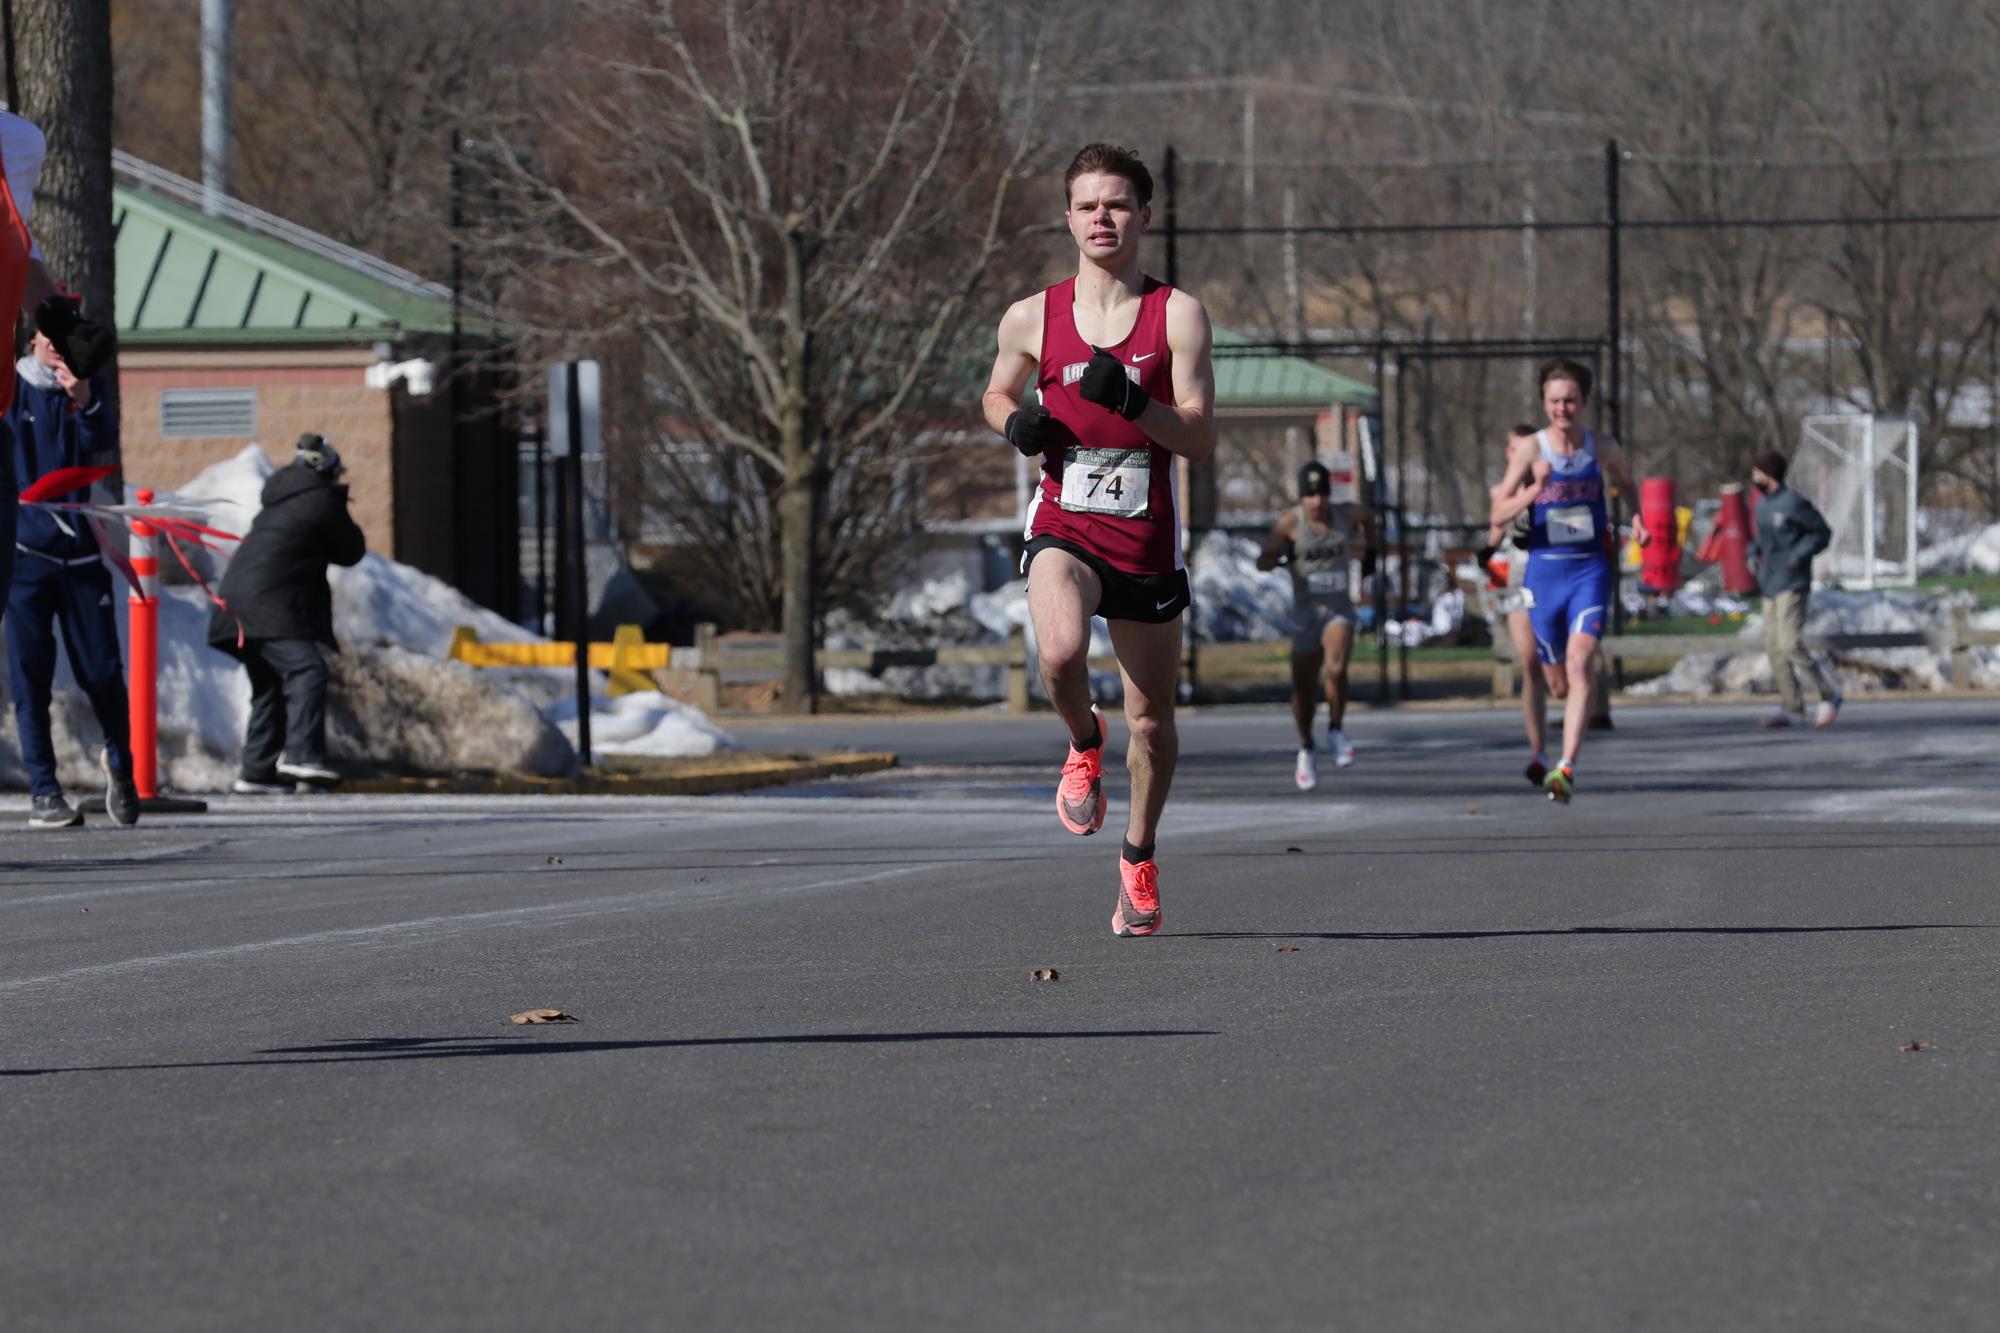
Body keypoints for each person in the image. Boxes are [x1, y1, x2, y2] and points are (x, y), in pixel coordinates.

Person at [981, 142, 1215, 937]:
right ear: (1069, 217)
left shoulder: (1176, 314)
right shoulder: (1030, 316)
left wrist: (1136, 407)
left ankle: (1139, 854)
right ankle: (1084, 740)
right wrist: (1015, 421)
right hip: (1065, 526)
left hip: (1145, 541)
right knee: (1057, 651)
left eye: (1117, 204)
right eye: (1088, 205)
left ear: (1145, 214)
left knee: (1152, 722)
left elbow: (1199, 438)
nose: (1102, 218)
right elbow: (993, 389)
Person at [1489, 360, 1645, 803]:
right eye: (1555, 400)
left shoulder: (1602, 446)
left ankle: (1565, 767)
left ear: (1584, 403)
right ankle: (1551, 747)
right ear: (1544, 402)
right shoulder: (1531, 451)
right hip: (1544, 574)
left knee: (1580, 666)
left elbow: (1629, 485)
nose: (1563, 408)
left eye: (1571, 400)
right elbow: (1498, 515)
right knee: (1556, 679)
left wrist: (1638, 519)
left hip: (1589, 570)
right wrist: (1534, 491)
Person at [6, 317, 139, 827]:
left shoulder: (84, 387)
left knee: (103, 671)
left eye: (66, 343)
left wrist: (85, 399)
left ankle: (121, 764)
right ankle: (44, 789)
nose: (58, 349)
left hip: (82, 553)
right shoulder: (12, 388)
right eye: (49, 339)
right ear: (31, 340)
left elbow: (100, 439)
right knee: (31, 674)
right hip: (25, 555)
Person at [208, 433, 366, 792]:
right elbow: (351, 549)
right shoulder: (319, 498)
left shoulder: (280, 499)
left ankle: (257, 771)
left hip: (235, 605)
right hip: (268, 605)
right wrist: (338, 502)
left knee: (269, 685)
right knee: (308, 670)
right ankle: (302, 755)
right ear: (325, 470)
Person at [1257, 457, 1376, 789]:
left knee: (1336, 670)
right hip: (1306, 615)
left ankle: (1336, 730)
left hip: (1338, 609)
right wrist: (1280, 556)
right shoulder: (1289, 524)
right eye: (1310, 495)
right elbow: (1262, 560)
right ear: (1301, 497)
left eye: (1322, 494)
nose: (1317, 502)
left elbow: (1368, 517)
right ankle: (1307, 747)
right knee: (1303, 691)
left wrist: (1371, 553)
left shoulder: (1345, 515)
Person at [1749, 449, 1840, 729]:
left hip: (1793, 582)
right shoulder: (1763, 506)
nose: (1753, 478)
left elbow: (1822, 533)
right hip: (1770, 583)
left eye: (1757, 473)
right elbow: (1763, 540)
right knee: (1774, 648)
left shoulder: (1794, 502)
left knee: (1790, 643)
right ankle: (1793, 708)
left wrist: (1799, 554)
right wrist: (1751, 551)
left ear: (1770, 475)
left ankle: (1829, 694)